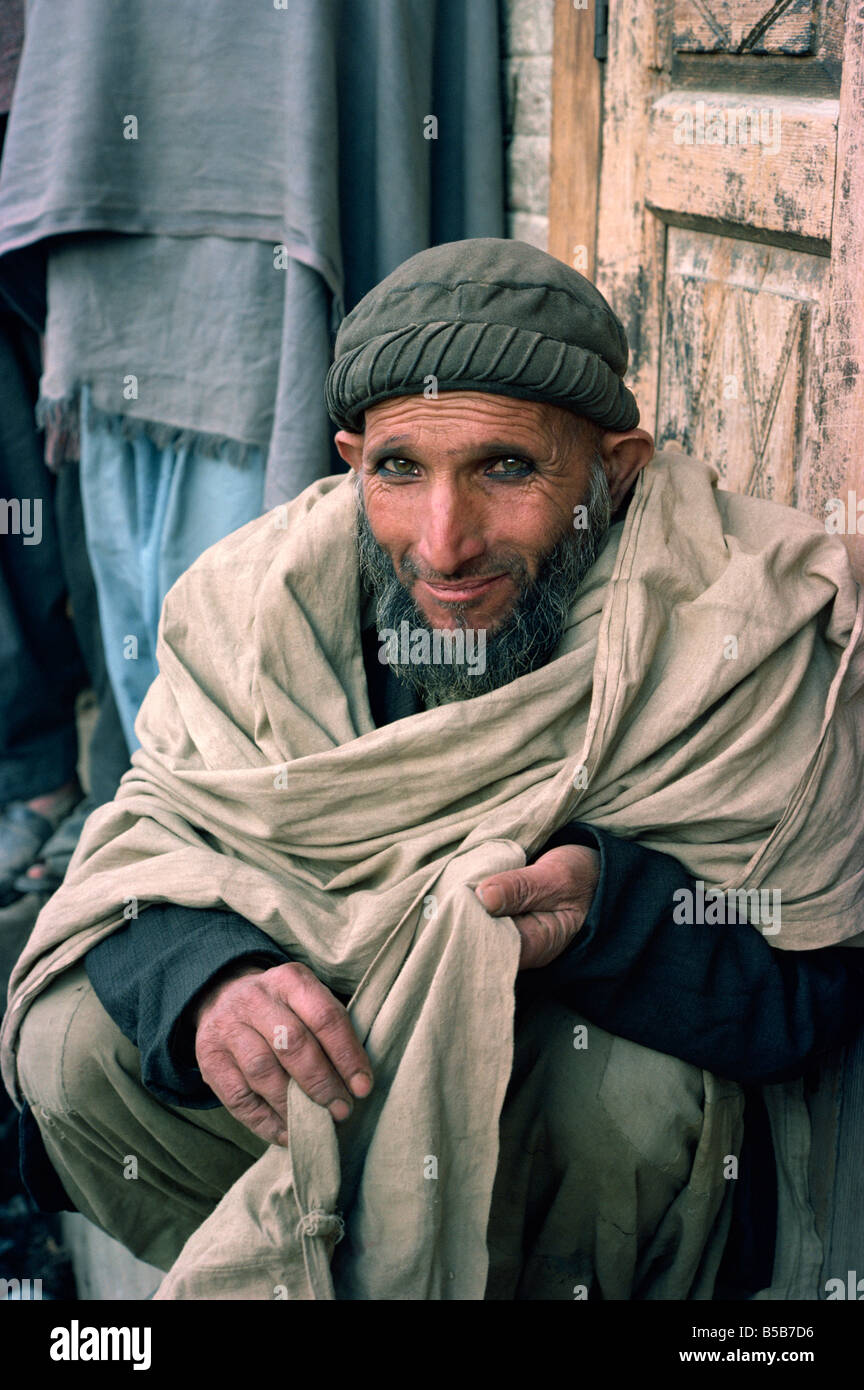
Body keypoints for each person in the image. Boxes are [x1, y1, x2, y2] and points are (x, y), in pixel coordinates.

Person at [4, 239, 864, 1302]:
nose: (444, 544)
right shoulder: (250, 608)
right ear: (350, 459)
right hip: (334, 1084)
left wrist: (615, 913)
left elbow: (814, 997)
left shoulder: (742, 626)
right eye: (399, 471)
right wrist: (213, 979)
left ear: (617, 470)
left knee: (631, 1096)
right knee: (77, 1041)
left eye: (508, 468)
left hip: (550, 1111)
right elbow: (143, 861)